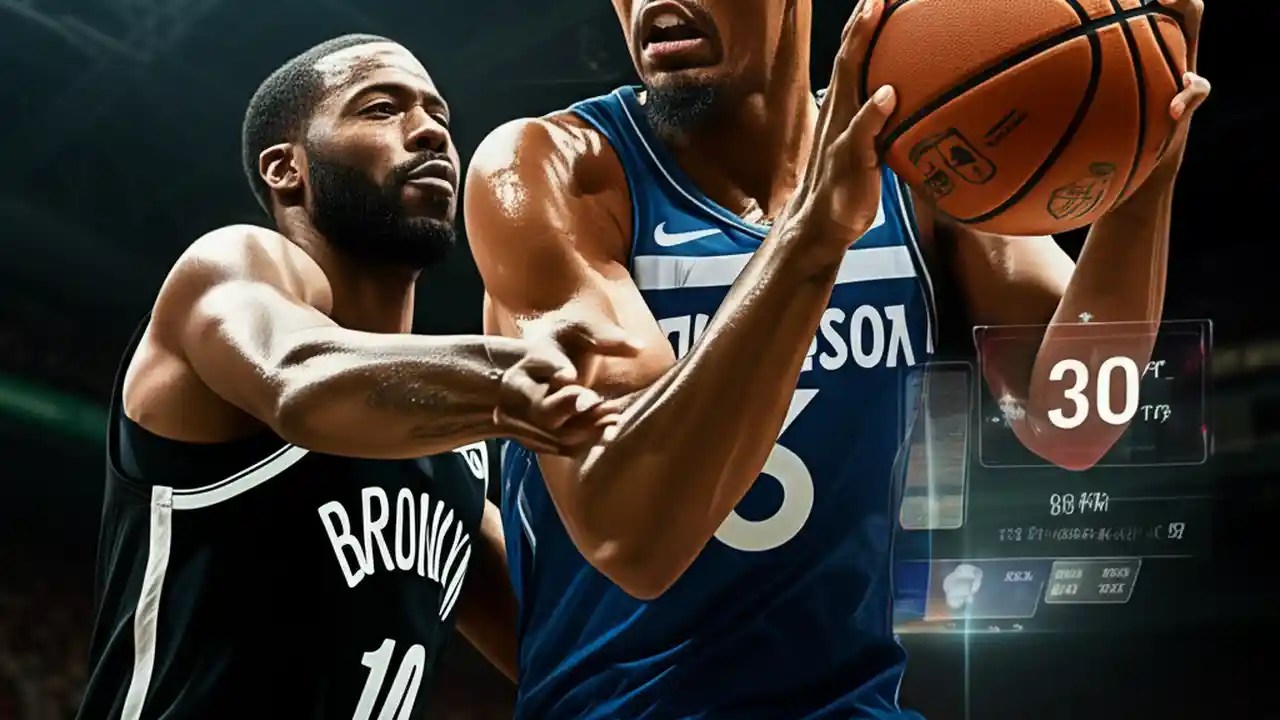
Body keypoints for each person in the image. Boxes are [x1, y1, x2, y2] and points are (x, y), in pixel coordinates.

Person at [465, 0, 1210, 716]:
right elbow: (635, 538)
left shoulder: (920, 151)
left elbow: (1075, 421)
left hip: (850, 706)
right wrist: (813, 236)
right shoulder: (555, 172)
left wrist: (1140, 183)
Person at [76, 34, 634, 720]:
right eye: (380, 109)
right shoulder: (231, 267)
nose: (430, 130)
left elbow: (571, 649)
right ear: (287, 168)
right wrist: (504, 372)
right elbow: (297, 380)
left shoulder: (453, 449)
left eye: (439, 115)